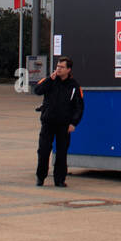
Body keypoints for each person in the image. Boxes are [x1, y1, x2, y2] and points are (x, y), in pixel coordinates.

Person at [33, 56, 83, 187]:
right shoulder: (50, 80)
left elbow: (79, 106)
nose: (58, 69)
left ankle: (59, 180)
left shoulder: (74, 86)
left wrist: (73, 123)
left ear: (68, 69)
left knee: (62, 152)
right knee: (43, 151)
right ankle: (40, 177)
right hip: (48, 122)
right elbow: (37, 91)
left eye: (62, 67)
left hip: (64, 125)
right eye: (57, 66)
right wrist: (50, 79)